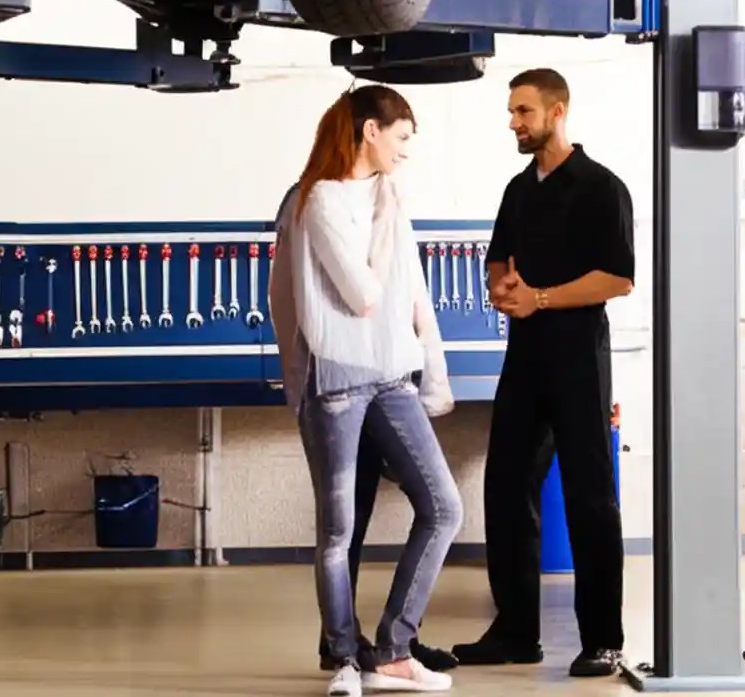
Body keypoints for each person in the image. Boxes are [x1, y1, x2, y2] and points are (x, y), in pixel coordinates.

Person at [270, 84, 463, 697]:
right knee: (337, 531)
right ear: (368, 132)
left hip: (392, 375)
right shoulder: (317, 200)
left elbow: (414, 294)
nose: (407, 150)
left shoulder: (390, 198)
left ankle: (395, 649)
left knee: (444, 508)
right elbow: (362, 294)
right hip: (336, 382)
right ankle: (346, 661)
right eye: (401, 136)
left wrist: (434, 373)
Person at [450, 68, 634, 678]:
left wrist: (543, 299)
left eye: (524, 111)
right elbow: (498, 255)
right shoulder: (518, 188)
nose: (514, 123)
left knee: (589, 496)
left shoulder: (603, 188)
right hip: (525, 355)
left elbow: (618, 278)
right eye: (512, 111)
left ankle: (604, 638)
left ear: (558, 112)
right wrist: (501, 285)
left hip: (579, 355)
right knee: (505, 486)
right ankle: (515, 631)